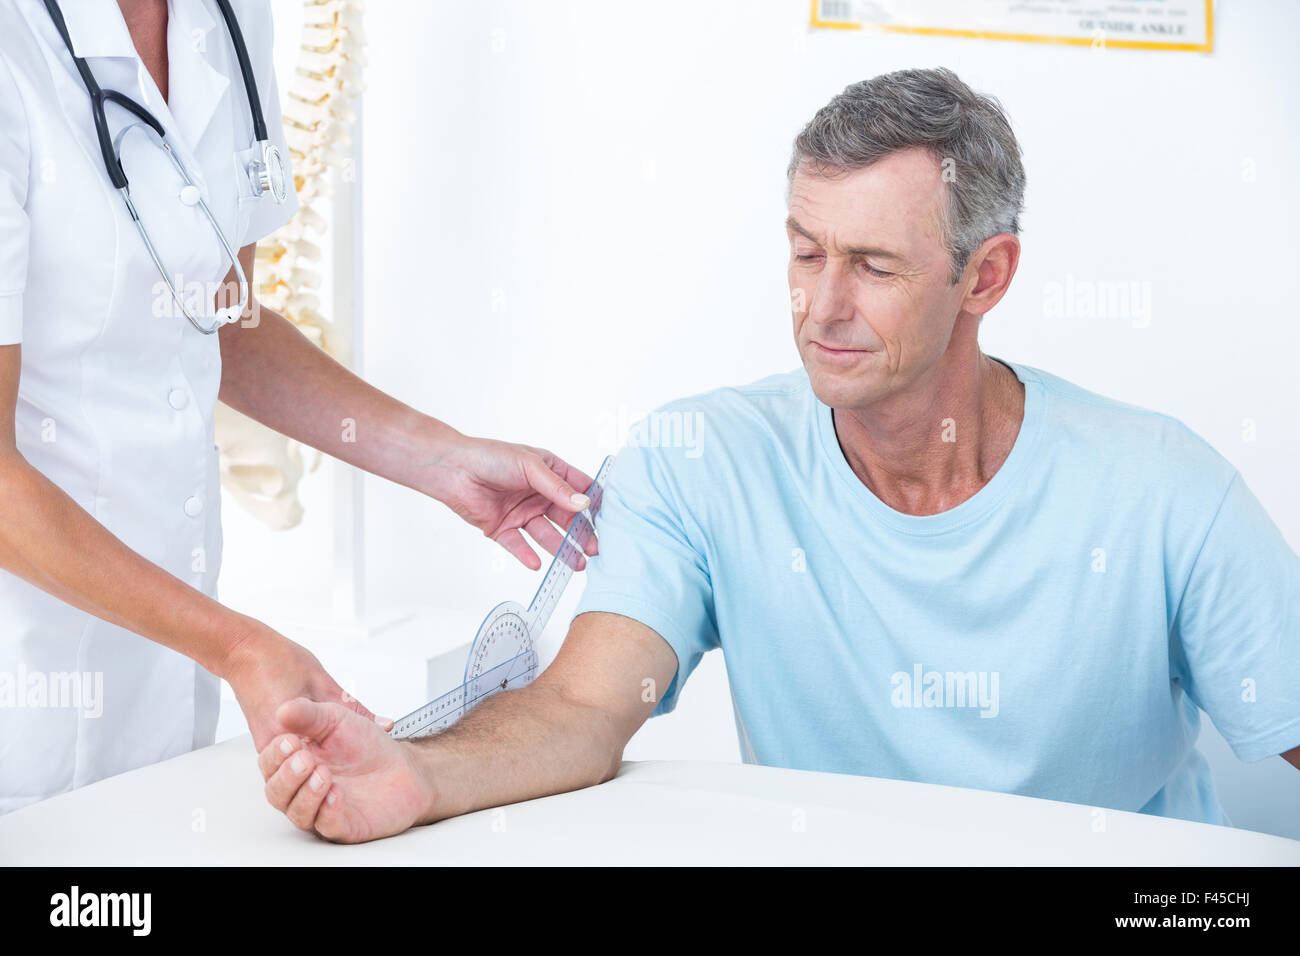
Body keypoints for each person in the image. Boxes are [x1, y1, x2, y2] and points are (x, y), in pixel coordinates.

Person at [258, 67, 1300, 843]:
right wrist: (418, 774)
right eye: (805, 252)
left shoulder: (1161, 489)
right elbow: (581, 709)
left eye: (874, 265)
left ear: (984, 277)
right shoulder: (702, 461)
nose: (821, 307)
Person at [0, 0, 593, 814]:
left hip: (167, 699)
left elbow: (222, 316)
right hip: (23, 688)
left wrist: (442, 459)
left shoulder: (231, 18)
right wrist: (238, 646)